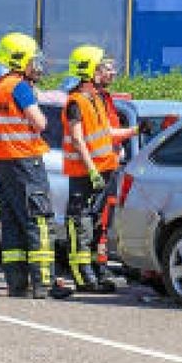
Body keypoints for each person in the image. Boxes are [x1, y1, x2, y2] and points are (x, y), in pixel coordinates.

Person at [0, 32, 70, 299]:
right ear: (19, 61)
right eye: (34, 61)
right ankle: (44, 281)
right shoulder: (20, 87)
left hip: (2, 165)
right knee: (39, 220)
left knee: (12, 223)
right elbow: (40, 123)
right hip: (25, 162)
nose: (38, 67)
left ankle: (17, 282)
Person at [61, 46, 129, 293]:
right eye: (101, 66)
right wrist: (92, 170)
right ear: (88, 70)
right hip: (84, 174)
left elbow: (106, 133)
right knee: (81, 224)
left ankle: (93, 274)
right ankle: (83, 278)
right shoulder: (76, 102)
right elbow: (78, 140)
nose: (105, 70)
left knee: (94, 224)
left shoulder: (96, 99)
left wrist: (136, 131)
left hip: (100, 171)